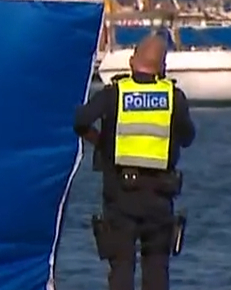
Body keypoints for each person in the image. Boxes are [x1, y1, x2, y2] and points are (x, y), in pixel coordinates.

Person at [74, 33, 195, 290]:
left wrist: (102, 143)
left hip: (120, 193)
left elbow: (80, 121)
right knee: (157, 266)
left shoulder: (114, 93)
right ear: (162, 67)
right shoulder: (174, 97)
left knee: (121, 265)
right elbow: (187, 138)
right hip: (160, 195)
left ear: (132, 61)